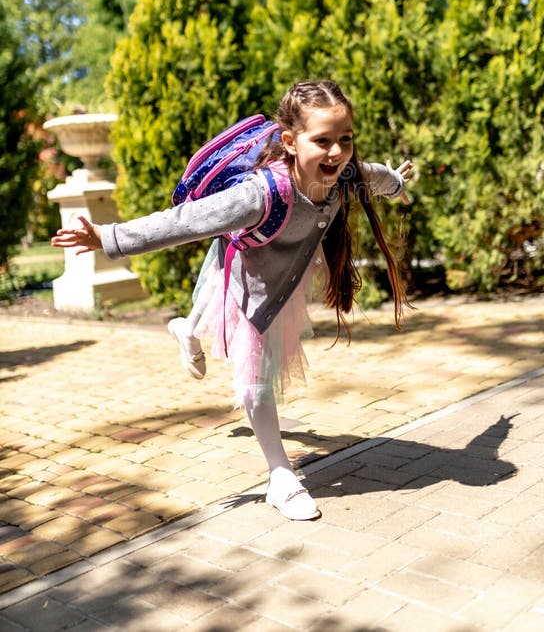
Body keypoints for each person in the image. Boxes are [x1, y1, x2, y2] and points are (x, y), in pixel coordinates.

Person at [52, 80, 414, 521]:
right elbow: (184, 222)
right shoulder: (258, 194)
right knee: (256, 373)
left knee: (219, 307)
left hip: (272, 268)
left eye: (345, 139)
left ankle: (186, 329)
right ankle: (280, 477)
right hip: (252, 280)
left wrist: (395, 182)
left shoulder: (343, 173)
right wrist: (108, 236)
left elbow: (370, 173)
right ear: (290, 142)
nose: (337, 152)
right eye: (322, 141)